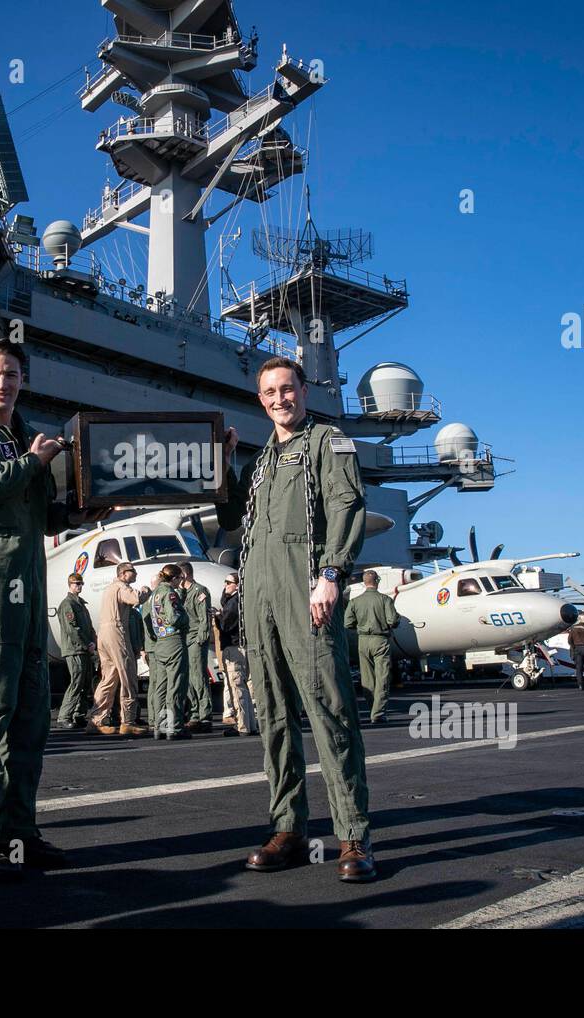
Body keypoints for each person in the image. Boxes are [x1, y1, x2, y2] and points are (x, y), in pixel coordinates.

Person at [0, 337, 107, 880]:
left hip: (29, 584)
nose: (2, 383)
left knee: (30, 719)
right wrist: (33, 462)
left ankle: (17, 834)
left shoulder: (27, 436)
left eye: (11, 374)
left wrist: (80, 511)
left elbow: (42, 516)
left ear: (21, 380)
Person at [216, 356, 376, 883]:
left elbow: (347, 506)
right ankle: (289, 828)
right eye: (269, 392)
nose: (280, 398)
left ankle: (353, 837)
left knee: (330, 714)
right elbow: (234, 524)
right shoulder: (258, 462)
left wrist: (331, 572)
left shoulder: (329, 442)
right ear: (260, 399)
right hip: (259, 597)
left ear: (304, 391)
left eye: (287, 389)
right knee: (276, 719)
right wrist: (223, 464)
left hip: (304, 592)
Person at [91, 562, 151, 736]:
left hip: (104, 634)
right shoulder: (121, 587)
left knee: (108, 678)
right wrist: (147, 590)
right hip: (116, 631)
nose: (136, 575)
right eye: (133, 572)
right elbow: (136, 598)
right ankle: (128, 721)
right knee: (128, 675)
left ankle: (97, 719)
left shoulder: (109, 589)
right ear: (124, 573)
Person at [344, 570, 399, 725]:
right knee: (382, 676)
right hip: (380, 640)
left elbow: (347, 623)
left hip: (363, 640)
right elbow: (392, 620)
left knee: (367, 679)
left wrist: (361, 625)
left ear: (364, 582)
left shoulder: (355, 601)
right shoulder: (385, 600)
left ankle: (372, 709)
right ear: (377, 581)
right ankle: (378, 713)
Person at [144, 564, 191, 740]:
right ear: (175, 578)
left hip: (160, 643)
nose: (181, 582)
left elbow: (147, 618)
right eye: (180, 578)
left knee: (161, 688)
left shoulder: (155, 593)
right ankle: (175, 727)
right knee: (176, 685)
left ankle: (160, 726)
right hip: (174, 642)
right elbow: (174, 617)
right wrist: (185, 618)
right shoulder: (170, 593)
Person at [216, 572, 257, 735]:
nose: (225, 585)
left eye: (228, 582)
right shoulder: (243, 599)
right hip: (243, 645)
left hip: (234, 647)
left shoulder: (234, 602)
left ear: (237, 585)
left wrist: (219, 617)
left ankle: (242, 725)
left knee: (237, 686)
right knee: (245, 687)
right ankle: (250, 724)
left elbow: (226, 624)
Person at [55, 572, 97, 730]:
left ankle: (78, 715)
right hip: (75, 649)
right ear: (70, 585)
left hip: (84, 649)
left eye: (80, 583)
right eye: (76, 583)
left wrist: (93, 642)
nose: (79, 586)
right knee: (76, 682)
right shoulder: (68, 604)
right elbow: (72, 629)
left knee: (85, 684)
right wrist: (87, 644)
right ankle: (64, 716)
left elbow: (89, 627)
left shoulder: (81, 604)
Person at [179, 561, 214, 731]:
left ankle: (204, 715)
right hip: (184, 639)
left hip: (195, 639)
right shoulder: (181, 593)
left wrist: (202, 638)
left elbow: (204, 618)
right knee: (188, 679)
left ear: (184, 575)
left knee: (198, 676)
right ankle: (194, 714)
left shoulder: (199, 591)